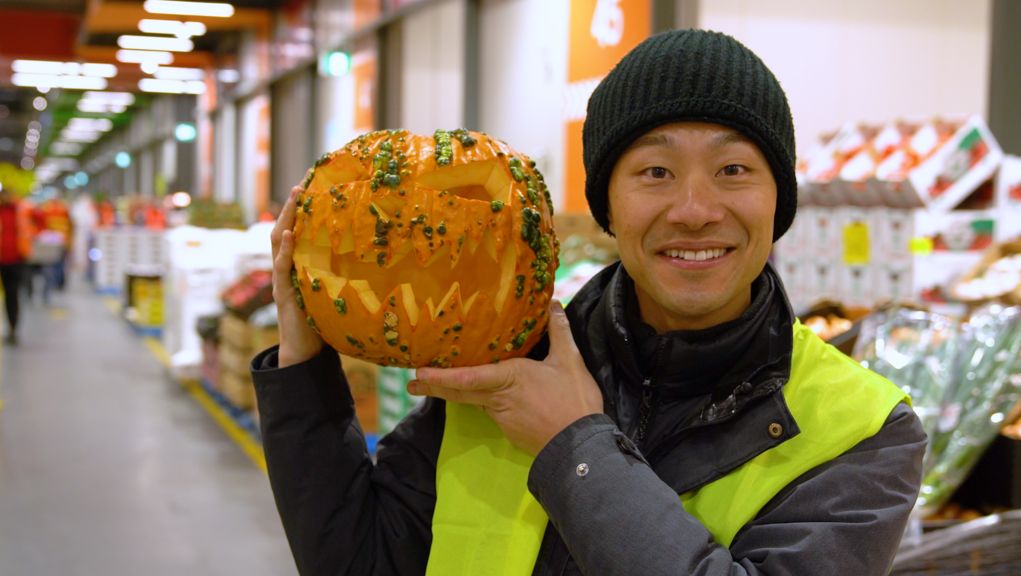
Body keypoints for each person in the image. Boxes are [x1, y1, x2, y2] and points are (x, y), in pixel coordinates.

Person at [252, 29, 925, 575]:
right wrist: (302, 371)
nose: (694, 210)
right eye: (655, 172)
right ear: (608, 204)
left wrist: (575, 448)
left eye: (733, 170)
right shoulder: (506, 359)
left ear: (779, 199)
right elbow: (361, 561)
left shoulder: (862, 432)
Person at [0, 185, 31, 345]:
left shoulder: (20, 210)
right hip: (2, 258)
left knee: (12, 295)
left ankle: (13, 328)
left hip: (16, 259)